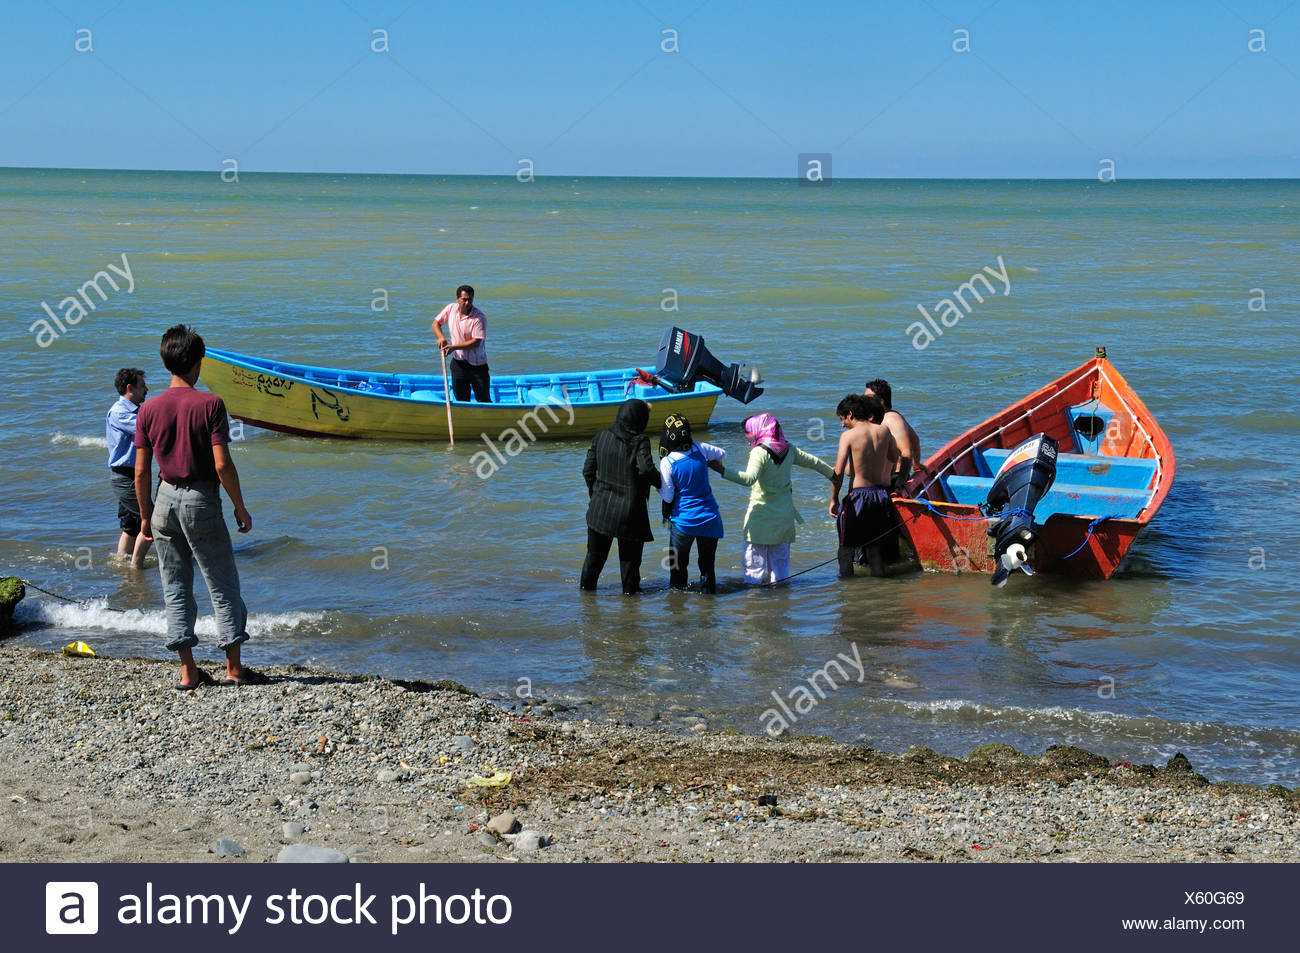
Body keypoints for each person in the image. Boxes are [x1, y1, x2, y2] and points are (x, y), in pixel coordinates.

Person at [134, 324, 264, 690]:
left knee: (175, 586)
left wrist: (145, 515)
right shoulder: (211, 404)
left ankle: (188, 672)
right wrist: (240, 507)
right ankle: (233, 668)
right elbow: (222, 463)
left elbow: (141, 472)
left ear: (166, 362)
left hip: (163, 498)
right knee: (222, 583)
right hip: (200, 500)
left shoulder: (149, 409)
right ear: (197, 363)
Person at [719, 412, 834, 585]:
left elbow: (748, 479)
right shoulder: (790, 449)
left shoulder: (759, 452)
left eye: (749, 433)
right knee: (781, 574)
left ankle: (755, 607)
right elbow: (815, 463)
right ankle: (780, 607)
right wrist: (833, 475)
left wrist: (721, 470)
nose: (748, 438)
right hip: (783, 519)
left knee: (753, 573)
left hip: (760, 520)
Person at [581, 399, 661, 594]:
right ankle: (630, 613)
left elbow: (587, 471)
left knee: (593, 561)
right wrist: (665, 484)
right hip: (630, 514)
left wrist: (596, 495)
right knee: (630, 566)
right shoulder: (639, 440)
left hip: (600, 510)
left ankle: (586, 603)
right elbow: (645, 469)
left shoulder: (601, 437)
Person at [830, 394, 900, 578]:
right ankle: (879, 586)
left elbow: (837, 473)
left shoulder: (848, 436)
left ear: (851, 414)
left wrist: (833, 499)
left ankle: (846, 589)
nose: (842, 424)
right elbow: (894, 457)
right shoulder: (884, 431)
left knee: (846, 548)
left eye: (843, 419)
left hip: (858, 497)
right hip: (880, 495)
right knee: (875, 548)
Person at [658, 414, 726, 593]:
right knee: (707, 566)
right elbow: (722, 453)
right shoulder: (700, 448)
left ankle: (678, 605)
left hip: (683, 523)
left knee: (677, 568)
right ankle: (708, 605)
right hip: (710, 518)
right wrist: (708, 464)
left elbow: (667, 497)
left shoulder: (668, 462)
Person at [106, 367, 151, 567]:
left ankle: (121, 563)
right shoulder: (120, 412)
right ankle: (136, 566)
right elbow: (148, 429)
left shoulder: (136, 410)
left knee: (131, 527)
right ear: (130, 388)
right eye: (143, 386)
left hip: (130, 476)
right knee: (152, 521)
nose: (147, 389)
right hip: (126, 478)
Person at [432, 284, 491, 402]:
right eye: (464, 300)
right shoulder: (450, 309)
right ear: (457, 299)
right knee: (461, 400)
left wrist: (454, 347)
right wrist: (441, 338)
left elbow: (476, 342)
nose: (467, 303)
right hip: (458, 364)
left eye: (470, 300)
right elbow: (435, 323)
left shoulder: (479, 318)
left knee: (483, 399)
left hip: (478, 366)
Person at [863, 378, 921, 490]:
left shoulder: (891, 419)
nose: (863, 401)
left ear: (881, 401)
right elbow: (915, 440)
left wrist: (902, 479)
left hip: (893, 479)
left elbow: (906, 452)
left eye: (867, 398)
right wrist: (917, 464)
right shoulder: (882, 418)